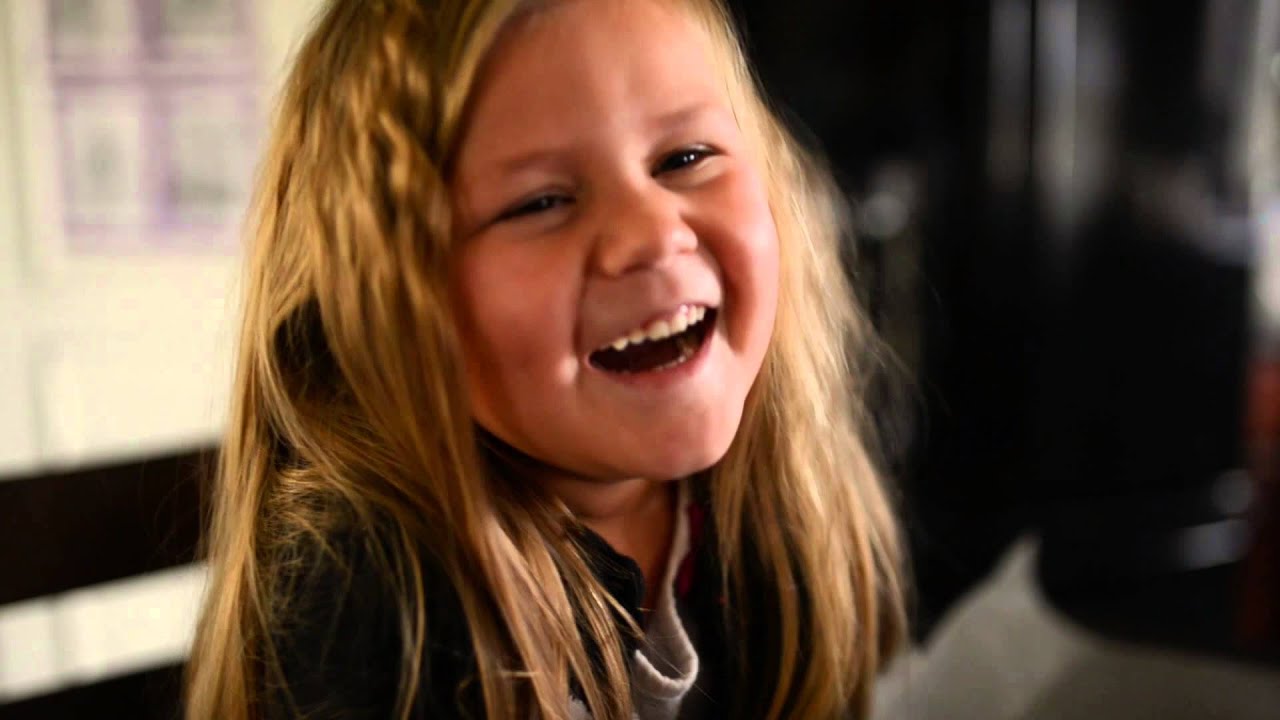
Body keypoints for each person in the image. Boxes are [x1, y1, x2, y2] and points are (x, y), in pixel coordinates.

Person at [184, 0, 906, 717]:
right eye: (541, 203)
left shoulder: (773, 502)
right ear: (386, 303)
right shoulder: (370, 603)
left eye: (683, 159)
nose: (653, 235)